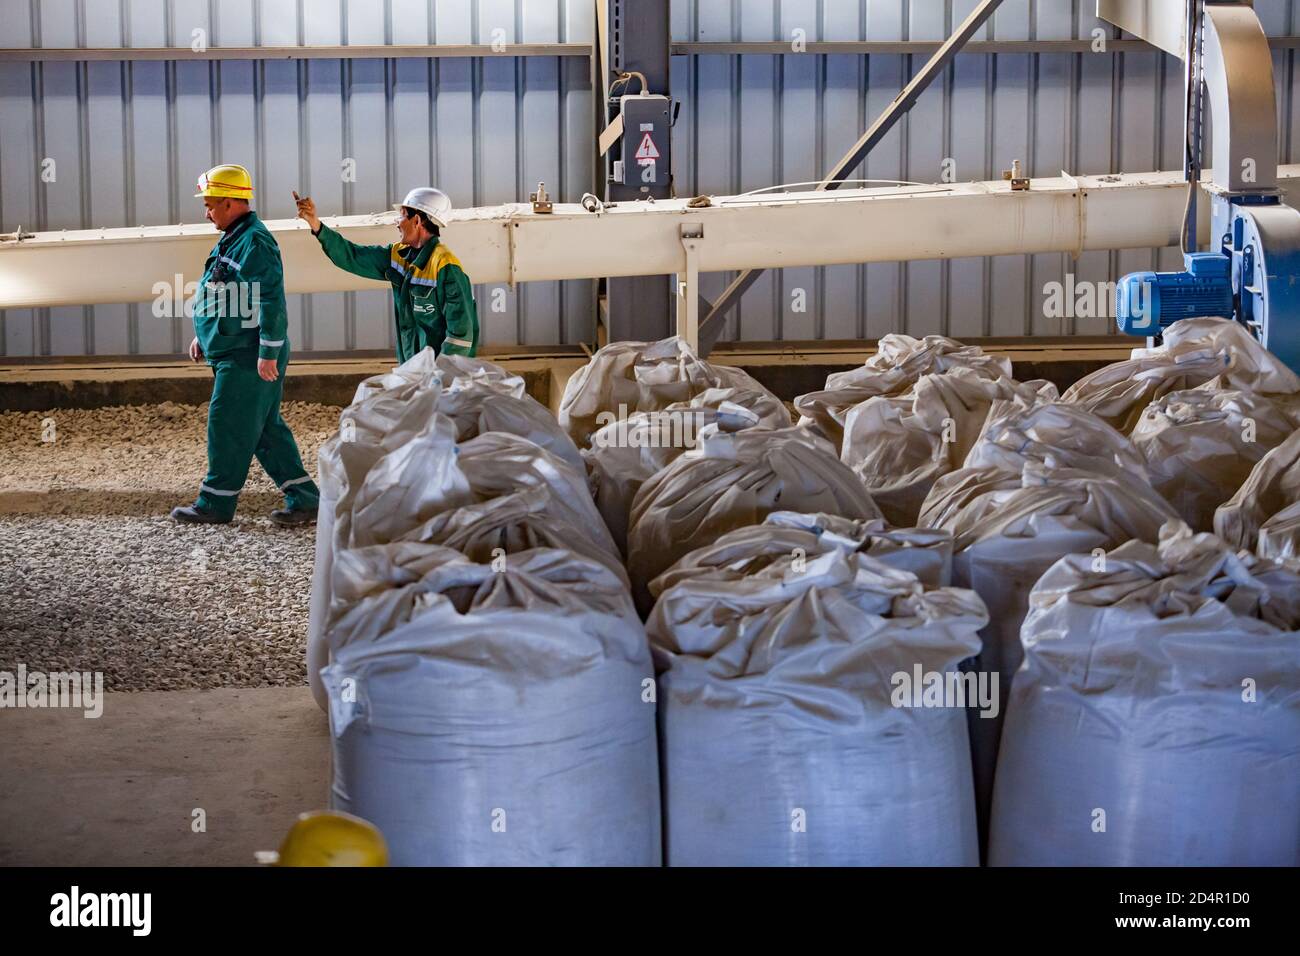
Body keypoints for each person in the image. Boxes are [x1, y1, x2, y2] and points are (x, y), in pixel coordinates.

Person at [171, 164, 321, 527]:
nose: (205, 212)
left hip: (248, 355)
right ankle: (307, 500)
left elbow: (271, 299)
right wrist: (204, 336)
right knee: (264, 430)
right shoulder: (234, 236)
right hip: (235, 348)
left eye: (209, 204)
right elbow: (222, 289)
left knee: (226, 424)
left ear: (229, 202)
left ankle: (215, 504)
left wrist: (268, 352)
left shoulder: (254, 241)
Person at [294, 187, 479, 363]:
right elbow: (352, 256)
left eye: (402, 215)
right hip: (412, 369)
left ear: (417, 221)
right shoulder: (398, 256)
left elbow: (461, 335)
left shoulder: (446, 266)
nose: (397, 222)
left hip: (438, 376)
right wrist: (316, 225)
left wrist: (439, 377)